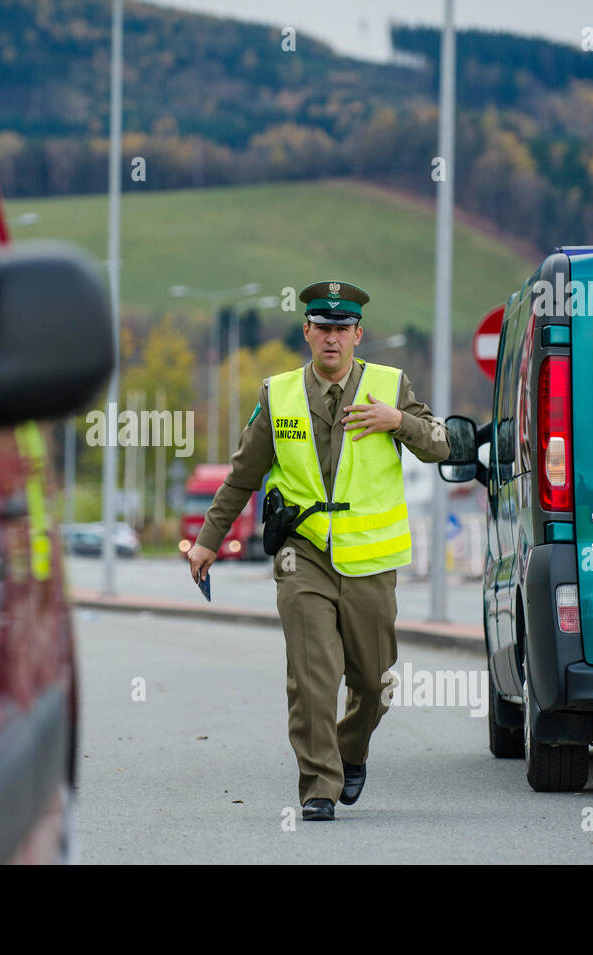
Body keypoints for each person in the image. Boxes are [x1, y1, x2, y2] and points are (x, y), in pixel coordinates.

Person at [186, 279, 450, 821]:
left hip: (370, 562)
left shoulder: (389, 385)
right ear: (307, 332)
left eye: (342, 330)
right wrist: (209, 541)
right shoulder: (276, 394)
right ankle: (319, 787)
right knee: (312, 677)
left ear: (359, 334)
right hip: (301, 555)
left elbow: (443, 442)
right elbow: (243, 474)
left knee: (374, 684)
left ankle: (351, 752)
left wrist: (398, 422)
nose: (332, 339)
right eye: (322, 329)